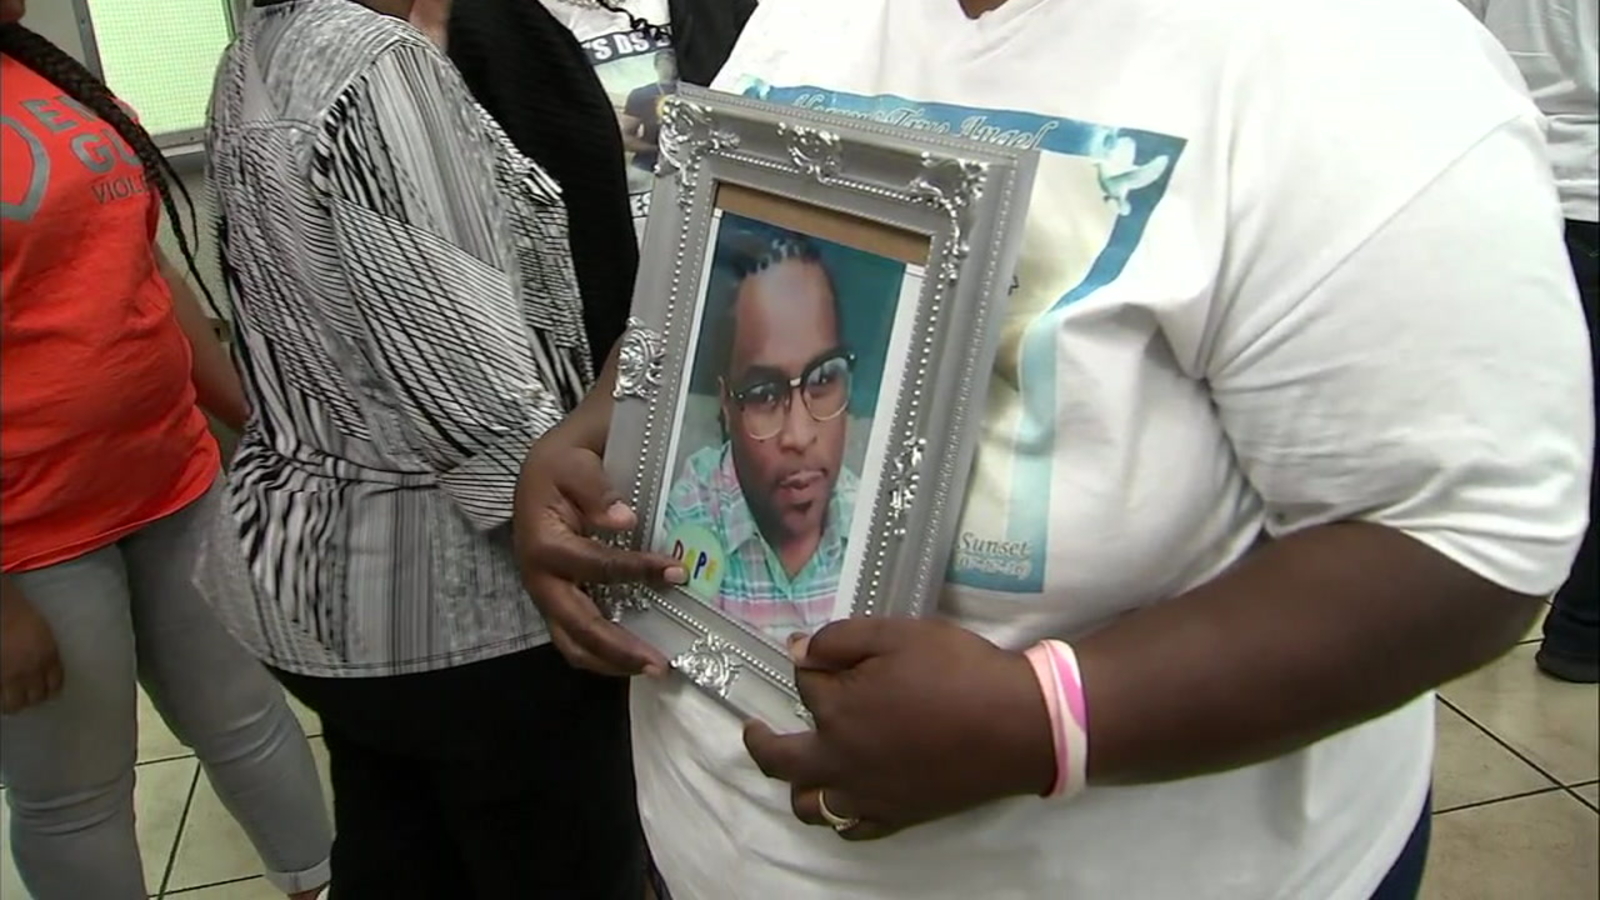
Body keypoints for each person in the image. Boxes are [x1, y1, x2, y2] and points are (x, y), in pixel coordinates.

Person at [511, 0, 1594, 898]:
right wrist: (597, 432)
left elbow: (1467, 533)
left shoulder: (1349, 59)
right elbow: (713, 276)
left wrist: (1044, 721)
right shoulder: (811, 12)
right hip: (710, 839)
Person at [202, 2, 642, 898]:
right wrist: (595, 532)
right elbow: (477, 405)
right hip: (459, 611)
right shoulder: (379, 64)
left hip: (319, 577)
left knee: (403, 847)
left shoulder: (258, 45)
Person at [0, 4, 332, 899]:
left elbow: (146, 276)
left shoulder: (46, 80)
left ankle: (319, 882)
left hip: (172, 483)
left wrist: (268, 431)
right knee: (74, 793)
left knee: (248, 715)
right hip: (30, 542)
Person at [1461, 0, 1600, 684]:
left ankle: (1483, 577)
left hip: (1515, 180)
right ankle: (1581, 632)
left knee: (1512, 409)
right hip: (1585, 190)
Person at [663, 232, 859, 640]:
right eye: (763, 394)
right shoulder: (684, 512)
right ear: (727, 405)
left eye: (823, 379)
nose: (800, 436)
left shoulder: (873, 524)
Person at [621, 51, 680, 181]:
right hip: (646, 165)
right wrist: (657, 150)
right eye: (664, 62)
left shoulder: (693, 95)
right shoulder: (641, 94)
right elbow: (625, 139)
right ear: (656, 66)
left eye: (673, 62)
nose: (669, 67)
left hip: (682, 169)